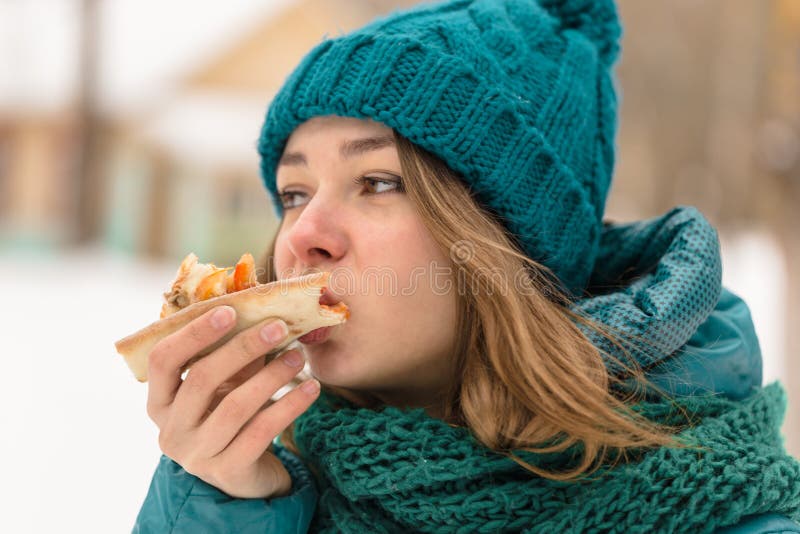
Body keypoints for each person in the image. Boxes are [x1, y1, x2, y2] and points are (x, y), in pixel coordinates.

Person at [133, 0, 800, 532]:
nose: (303, 236)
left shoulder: (723, 508)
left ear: (506, 243)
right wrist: (225, 506)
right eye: (294, 193)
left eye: (378, 182)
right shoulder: (268, 496)